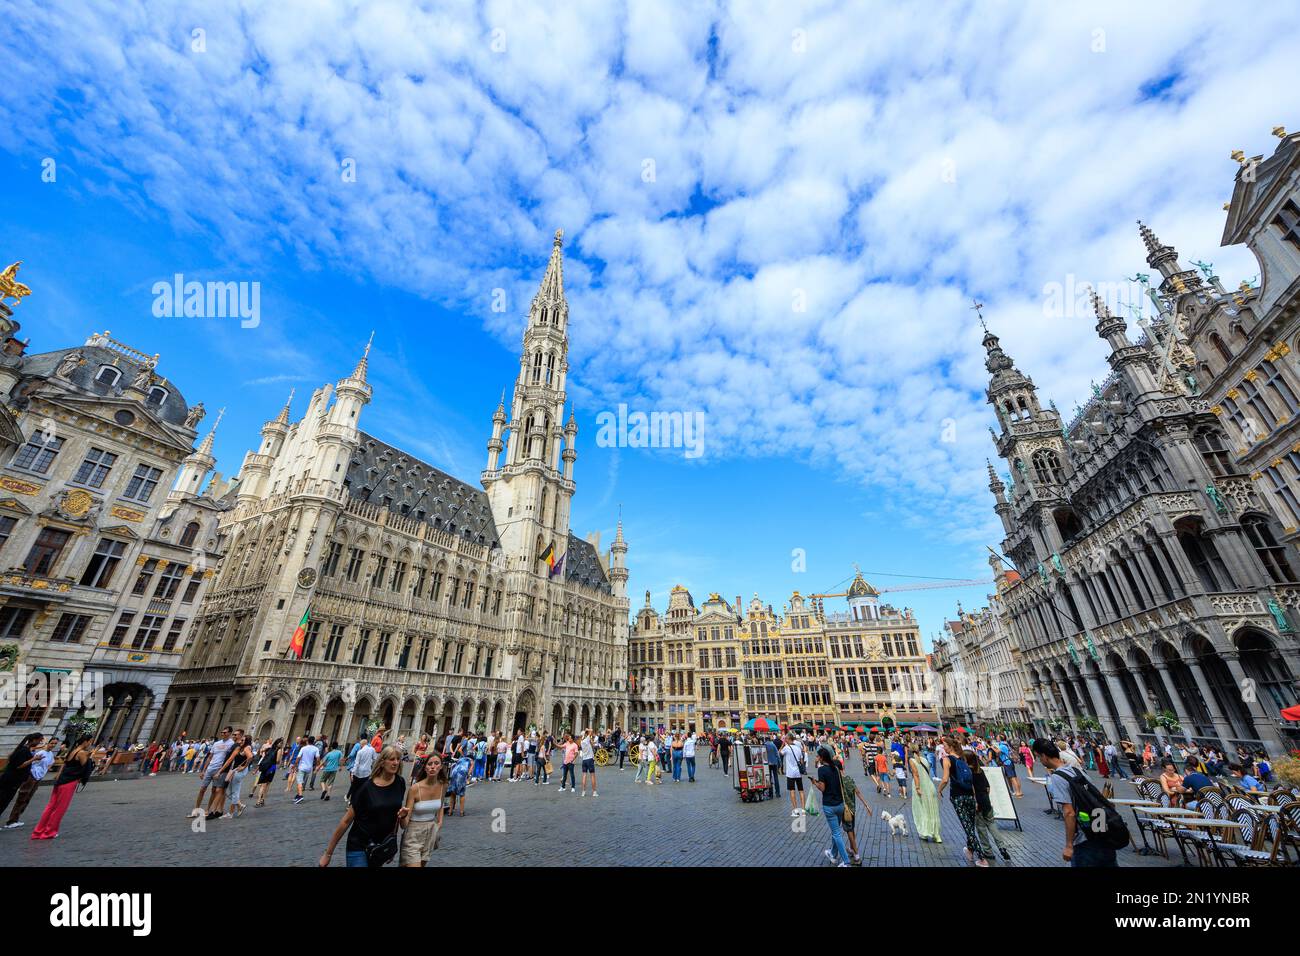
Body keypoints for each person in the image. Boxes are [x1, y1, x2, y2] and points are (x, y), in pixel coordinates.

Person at [1033, 738, 1121, 867]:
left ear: (1044, 756)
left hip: (1084, 838)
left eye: (1038, 757)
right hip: (1101, 831)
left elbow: (1069, 812)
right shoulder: (1076, 770)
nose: (1039, 761)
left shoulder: (1057, 777)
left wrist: (1069, 845)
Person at [320, 746, 408, 867]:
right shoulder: (366, 787)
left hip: (379, 847)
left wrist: (390, 845)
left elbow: (395, 818)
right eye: (392, 759)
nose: (396, 762)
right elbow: (346, 821)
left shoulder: (400, 783)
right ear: (382, 762)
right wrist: (328, 853)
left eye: (398, 759)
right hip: (358, 845)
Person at [937, 735, 991, 867]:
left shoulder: (947, 759)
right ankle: (970, 850)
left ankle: (982, 859)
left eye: (944, 746)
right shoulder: (963, 758)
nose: (943, 748)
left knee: (967, 828)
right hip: (969, 796)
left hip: (958, 796)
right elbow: (971, 780)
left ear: (950, 747)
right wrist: (974, 797)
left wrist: (939, 790)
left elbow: (945, 779)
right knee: (969, 825)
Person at [31, 735, 94, 840]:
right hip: (69, 782)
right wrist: (90, 759)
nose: (90, 744)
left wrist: (58, 777)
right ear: (85, 742)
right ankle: (49, 832)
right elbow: (86, 768)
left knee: (50, 806)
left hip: (61, 781)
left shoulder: (72, 751)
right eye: (90, 742)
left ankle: (38, 832)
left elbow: (65, 765)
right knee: (60, 809)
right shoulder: (82, 753)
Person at [400, 754, 447, 867]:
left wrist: (439, 823)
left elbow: (440, 805)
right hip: (413, 833)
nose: (432, 767)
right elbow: (404, 824)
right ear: (425, 767)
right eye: (429, 764)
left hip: (431, 831)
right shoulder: (415, 789)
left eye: (436, 763)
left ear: (441, 767)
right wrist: (402, 816)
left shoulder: (443, 785)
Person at [806, 746, 849, 866]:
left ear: (822, 757)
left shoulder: (822, 770)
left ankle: (846, 862)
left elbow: (823, 788)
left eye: (818, 756)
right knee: (836, 831)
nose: (816, 758)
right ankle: (833, 854)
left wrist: (815, 783)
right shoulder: (835, 766)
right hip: (840, 804)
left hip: (829, 805)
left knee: (836, 833)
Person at [3, 736, 57, 829]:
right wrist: (33, 772)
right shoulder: (40, 752)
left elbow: (51, 762)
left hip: (38, 778)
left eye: (55, 744)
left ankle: (16, 818)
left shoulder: (51, 754)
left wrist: (44, 771)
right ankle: (11, 820)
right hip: (31, 777)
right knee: (22, 798)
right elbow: (30, 763)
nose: (53, 745)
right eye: (52, 743)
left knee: (27, 799)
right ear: (48, 743)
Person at [965, 751, 1009, 863]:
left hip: (978, 802)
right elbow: (988, 788)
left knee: (981, 828)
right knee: (991, 824)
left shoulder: (968, 772)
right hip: (986, 801)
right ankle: (1002, 847)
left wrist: (975, 801)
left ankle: (988, 852)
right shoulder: (980, 770)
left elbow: (971, 789)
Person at [191, 726, 235, 820]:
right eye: (222, 732)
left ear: (230, 733)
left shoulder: (232, 744)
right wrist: (203, 770)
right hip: (210, 769)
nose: (223, 734)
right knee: (202, 789)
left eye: (225, 732)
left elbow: (231, 758)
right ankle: (196, 810)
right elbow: (210, 757)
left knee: (214, 790)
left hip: (219, 770)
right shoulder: (216, 743)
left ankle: (207, 810)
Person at [837, 755, 872, 865]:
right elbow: (858, 792)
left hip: (845, 811)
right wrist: (866, 805)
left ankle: (857, 856)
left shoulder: (838, 782)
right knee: (852, 830)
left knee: (849, 832)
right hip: (852, 809)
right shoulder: (849, 779)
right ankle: (852, 849)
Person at [0, 733, 44, 821]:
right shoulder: (24, 750)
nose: (39, 742)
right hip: (12, 780)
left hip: (11, 779)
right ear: (34, 740)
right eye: (39, 740)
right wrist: (33, 759)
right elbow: (19, 766)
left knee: (3, 799)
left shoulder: (23, 749)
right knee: (3, 800)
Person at [908, 748, 942, 843]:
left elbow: (916, 775)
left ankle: (925, 832)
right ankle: (936, 835)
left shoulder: (912, 760)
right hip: (930, 786)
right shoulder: (924, 759)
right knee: (933, 810)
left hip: (920, 787)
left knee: (922, 810)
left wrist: (918, 788)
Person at [222, 732, 254, 818]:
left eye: (243, 740)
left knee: (234, 791)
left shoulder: (247, 747)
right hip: (236, 770)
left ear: (247, 741)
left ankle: (231, 813)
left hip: (239, 771)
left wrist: (244, 767)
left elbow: (250, 757)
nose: (241, 741)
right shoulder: (242, 747)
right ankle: (240, 806)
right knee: (230, 790)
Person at [779, 733, 805, 816]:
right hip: (798, 772)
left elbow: (780, 753)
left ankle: (795, 810)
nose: (785, 740)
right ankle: (803, 810)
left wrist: (782, 745)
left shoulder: (786, 748)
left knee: (792, 791)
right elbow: (801, 761)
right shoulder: (798, 748)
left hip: (790, 773)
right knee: (801, 790)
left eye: (786, 739)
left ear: (789, 739)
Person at [347, 737, 377, 805]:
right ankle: (361, 802)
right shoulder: (372, 749)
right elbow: (375, 758)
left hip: (358, 773)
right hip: (367, 772)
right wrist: (370, 763)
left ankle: (351, 803)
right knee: (364, 788)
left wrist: (352, 773)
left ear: (362, 744)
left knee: (355, 788)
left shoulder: (360, 752)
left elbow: (356, 764)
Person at [252, 738, 281, 808]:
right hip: (272, 767)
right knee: (267, 784)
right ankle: (261, 800)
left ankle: (259, 801)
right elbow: (277, 761)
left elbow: (263, 756)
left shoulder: (269, 749)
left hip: (265, 766)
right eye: (281, 743)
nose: (281, 744)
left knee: (263, 785)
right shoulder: (279, 750)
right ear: (278, 743)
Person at [294, 735, 320, 804]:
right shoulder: (316, 749)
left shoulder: (303, 748)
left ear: (307, 741)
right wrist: (317, 766)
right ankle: (297, 795)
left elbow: (298, 758)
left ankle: (300, 796)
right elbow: (318, 759)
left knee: (299, 782)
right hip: (309, 768)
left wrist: (295, 766)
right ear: (314, 741)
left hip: (302, 767)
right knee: (302, 782)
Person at [579, 728, 598, 797]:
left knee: (584, 776)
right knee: (592, 776)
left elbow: (591, 743)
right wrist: (587, 729)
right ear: (586, 734)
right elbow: (592, 730)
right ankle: (594, 792)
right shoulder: (587, 739)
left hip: (584, 760)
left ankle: (583, 792)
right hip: (590, 759)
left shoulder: (581, 742)